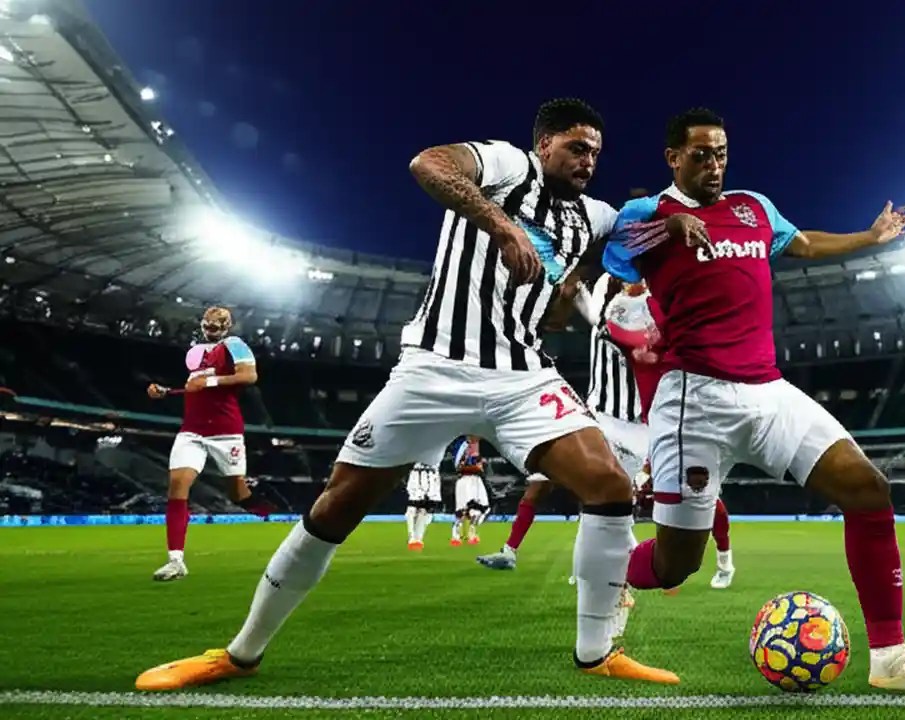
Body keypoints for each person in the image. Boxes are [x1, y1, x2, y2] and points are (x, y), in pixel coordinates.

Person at [134, 98, 676, 691]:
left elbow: (645, 224)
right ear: (543, 144)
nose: (588, 160)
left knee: (609, 485)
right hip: (435, 368)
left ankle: (596, 651)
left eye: (596, 152)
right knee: (337, 505)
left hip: (524, 377)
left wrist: (674, 222)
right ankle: (239, 653)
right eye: (576, 147)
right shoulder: (505, 166)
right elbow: (428, 164)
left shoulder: (593, 216)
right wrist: (500, 223)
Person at [602, 107, 905, 697]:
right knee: (675, 565)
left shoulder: (752, 207)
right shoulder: (645, 213)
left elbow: (801, 243)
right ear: (673, 158)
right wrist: (668, 226)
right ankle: (615, 574)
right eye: (701, 153)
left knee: (867, 488)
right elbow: (612, 242)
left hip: (769, 390)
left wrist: (868, 236)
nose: (714, 164)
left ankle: (891, 661)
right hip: (694, 402)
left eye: (722, 152)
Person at [476, 273, 648, 570]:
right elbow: (590, 310)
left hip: (631, 422)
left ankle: (625, 566)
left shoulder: (650, 307)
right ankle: (510, 550)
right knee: (541, 481)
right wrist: (573, 283)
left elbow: (645, 345)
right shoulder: (606, 288)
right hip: (595, 412)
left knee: (609, 501)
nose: (623, 276)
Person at [146, 306, 274, 582]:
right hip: (191, 432)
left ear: (226, 327)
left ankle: (274, 515)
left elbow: (249, 376)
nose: (209, 330)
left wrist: (211, 380)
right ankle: (175, 561)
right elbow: (195, 389)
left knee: (238, 495)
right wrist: (165, 391)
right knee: (177, 486)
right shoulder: (198, 354)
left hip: (225, 432)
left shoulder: (234, 345)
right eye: (206, 325)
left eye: (215, 326)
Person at [451, 437, 490, 546]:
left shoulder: (477, 446)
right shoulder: (461, 445)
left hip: (476, 481)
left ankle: (471, 533)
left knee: (478, 507)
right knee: (462, 509)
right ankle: (456, 535)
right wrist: (475, 468)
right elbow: (458, 467)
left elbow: (481, 467)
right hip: (464, 480)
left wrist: (479, 467)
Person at [404, 460, 442, 551]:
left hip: (432, 477)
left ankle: (418, 538)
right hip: (416, 475)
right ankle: (411, 536)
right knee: (412, 508)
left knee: (424, 509)